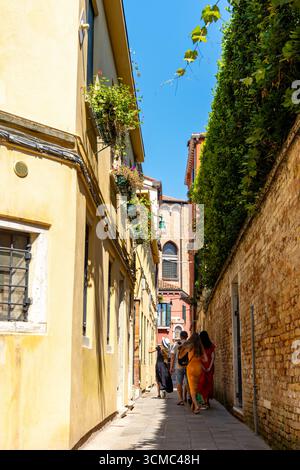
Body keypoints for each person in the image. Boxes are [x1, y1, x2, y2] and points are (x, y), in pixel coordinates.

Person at [178, 333, 207, 414]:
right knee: (196, 387)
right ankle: (193, 406)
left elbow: (180, 357)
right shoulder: (201, 347)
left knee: (192, 388)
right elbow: (206, 359)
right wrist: (199, 359)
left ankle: (197, 406)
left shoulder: (189, 346)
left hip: (190, 368)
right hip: (199, 368)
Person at [170, 331, 189, 405]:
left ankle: (181, 399)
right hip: (188, 366)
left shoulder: (176, 344)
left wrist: (171, 367)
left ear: (180, 337)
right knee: (187, 382)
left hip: (178, 366)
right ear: (187, 336)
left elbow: (172, 357)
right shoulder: (189, 344)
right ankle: (187, 397)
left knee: (179, 383)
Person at [198, 331, 215, 409]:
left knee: (202, 384)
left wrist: (204, 368)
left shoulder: (199, 347)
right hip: (210, 368)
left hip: (203, 368)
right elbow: (213, 357)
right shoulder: (211, 345)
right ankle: (206, 402)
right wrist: (209, 367)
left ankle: (205, 402)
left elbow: (199, 359)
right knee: (209, 384)